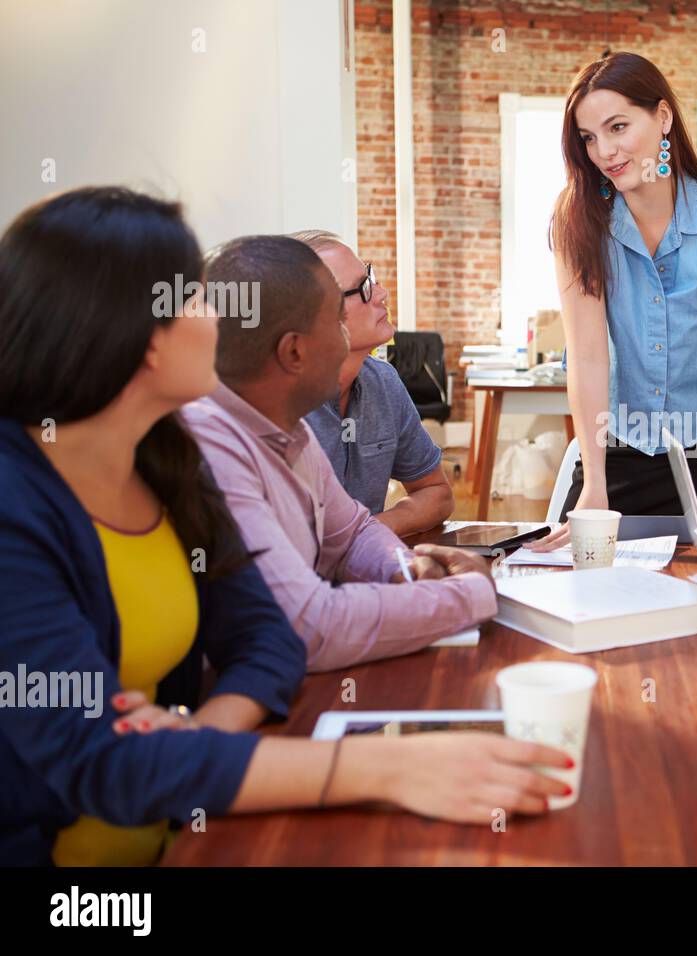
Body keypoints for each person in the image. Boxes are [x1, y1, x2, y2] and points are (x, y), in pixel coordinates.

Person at [0, 187, 568, 866]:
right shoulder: (15, 507)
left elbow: (268, 639)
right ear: (134, 335)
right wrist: (386, 768)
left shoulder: (163, 461)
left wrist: (187, 740)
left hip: (179, 833)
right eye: (194, 300)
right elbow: (102, 763)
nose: (220, 318)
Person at [180, 235, 495, 672]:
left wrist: (408, 569)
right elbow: (311, 628)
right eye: (336, 322)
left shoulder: (286, 425)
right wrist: (473, 593)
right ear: (294, 350)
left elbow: (349, 535)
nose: (346, 339)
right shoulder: (210, 445)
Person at [530, 50, 697, 552]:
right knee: (587, 570)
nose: (604, 150)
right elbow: (586, 355)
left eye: (618, 126)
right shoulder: (578, 221)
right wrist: (596, 485)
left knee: (696, 577)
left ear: (663, 117)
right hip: (617, 442)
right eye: (588, 137)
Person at [292, 230, 453, 534]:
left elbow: (437, 494)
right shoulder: (272, 406)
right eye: (362, 288)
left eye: (371, 277)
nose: (381, 293)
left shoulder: (383, 383)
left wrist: (368, 531)